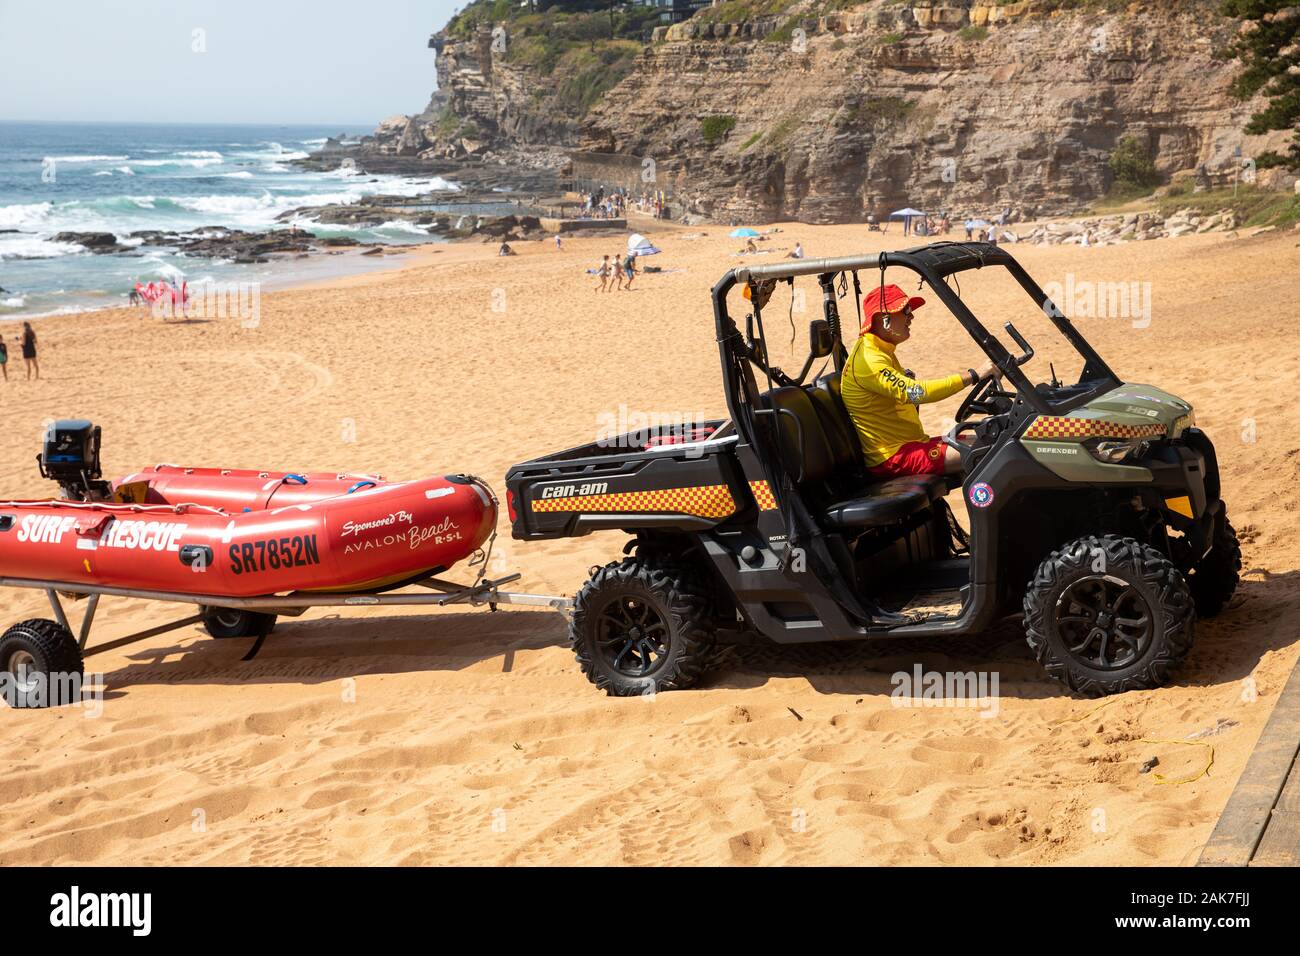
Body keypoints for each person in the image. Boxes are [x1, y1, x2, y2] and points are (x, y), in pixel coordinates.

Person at [840, 284, 995, 477]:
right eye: (905, 311)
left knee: (994, 439)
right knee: (989, 451)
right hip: (893, 457)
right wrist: (974, 375)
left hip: (912, 445)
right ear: (882, 318)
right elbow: (918, 393)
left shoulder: (879, 349)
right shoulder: (869, 361)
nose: (911, 316)